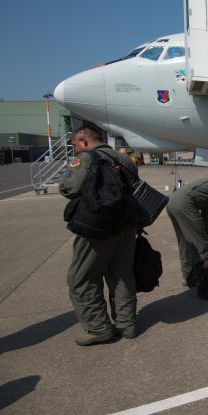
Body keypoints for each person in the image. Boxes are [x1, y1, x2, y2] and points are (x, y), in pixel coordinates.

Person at [59, 126, 139, 346]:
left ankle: (98, 328)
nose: (75, 150)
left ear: (84, 141)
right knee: (122, 275)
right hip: (127, 226)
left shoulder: (85, 159)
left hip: (98, 228)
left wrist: (63, 183)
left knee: (81, 278)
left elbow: (70, 189)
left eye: (75, 145)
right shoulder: (126, 159)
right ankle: (127, 325)